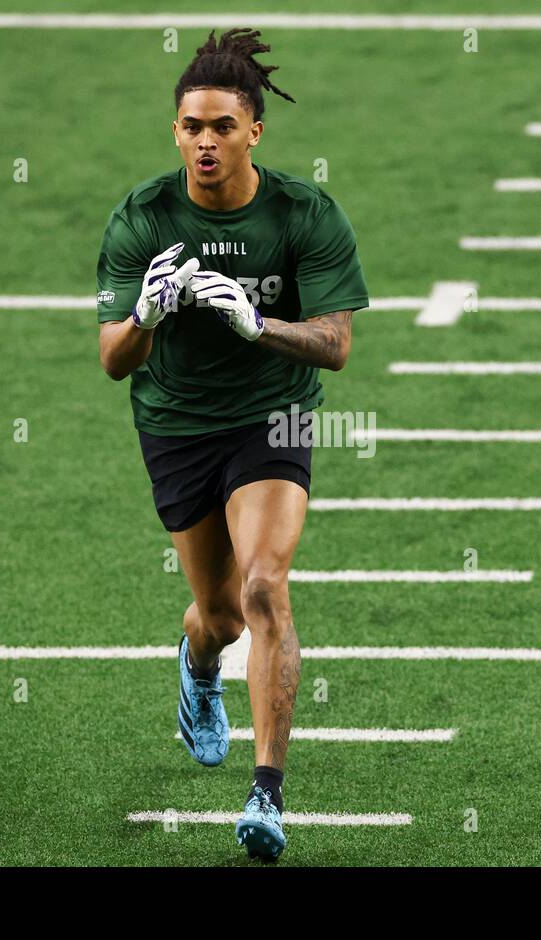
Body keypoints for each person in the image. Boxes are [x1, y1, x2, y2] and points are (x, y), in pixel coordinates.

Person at [96, 27, 369, 860]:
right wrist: (146, 314)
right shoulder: (143, 217)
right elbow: (113, 361)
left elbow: (335, 345)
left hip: (271, 414)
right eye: (191, 127)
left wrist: (258, 325)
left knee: (264, 584)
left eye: (222, 126)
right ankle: (199, 663)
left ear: (255, 129)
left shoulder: (303, 213)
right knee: (216, 615)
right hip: (177, 422)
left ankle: (267, 794)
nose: (205, 142)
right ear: (174, 130)